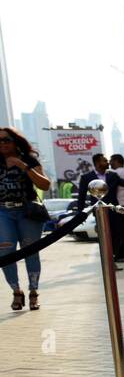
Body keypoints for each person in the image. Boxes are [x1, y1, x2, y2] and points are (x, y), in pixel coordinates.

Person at [0, 127, 53, 311]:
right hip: (3, 212)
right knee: (5, 253)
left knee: (30, 251)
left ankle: (33, 292)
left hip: (27, 212)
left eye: (6, 139)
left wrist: (23, 166)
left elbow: (45, 185)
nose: (3, 143)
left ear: (15, 141)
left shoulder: (29, 160)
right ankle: (16, 291)